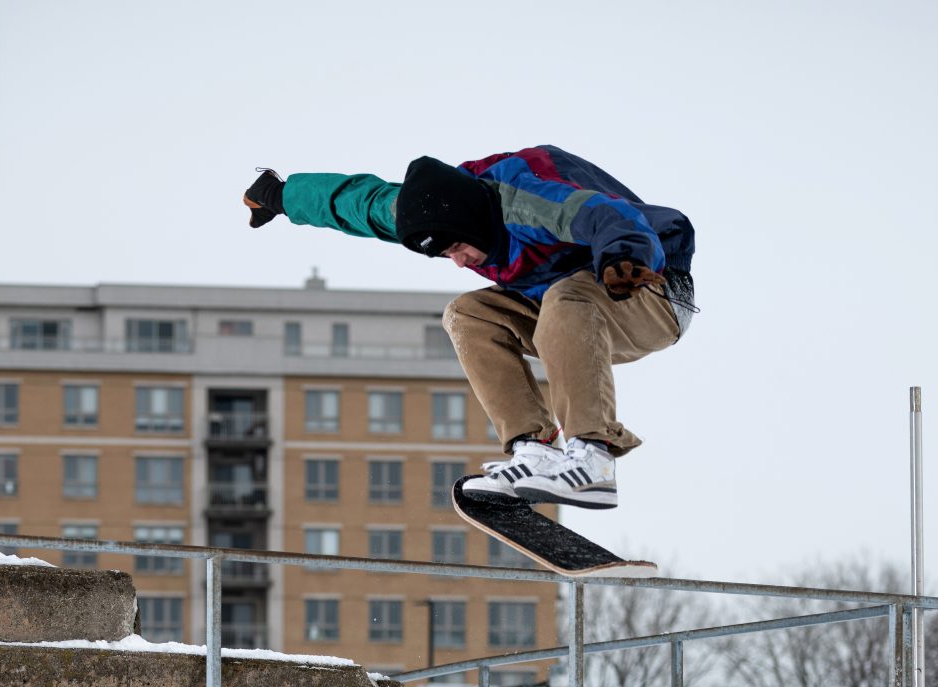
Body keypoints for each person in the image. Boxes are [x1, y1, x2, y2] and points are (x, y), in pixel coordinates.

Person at [243, 147, 694, 511]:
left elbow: (605, 215)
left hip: (645, 287)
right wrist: (280, 196)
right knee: (467, 313)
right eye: (445, 255)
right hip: (569, 312)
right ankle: (534, 449)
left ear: (474, 223)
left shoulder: (526, 201)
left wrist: (624, 257)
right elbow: (358, 202)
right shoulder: (426, 206)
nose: (458, 260)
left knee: (566, 294)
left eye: (459, 247)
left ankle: (593, 459)